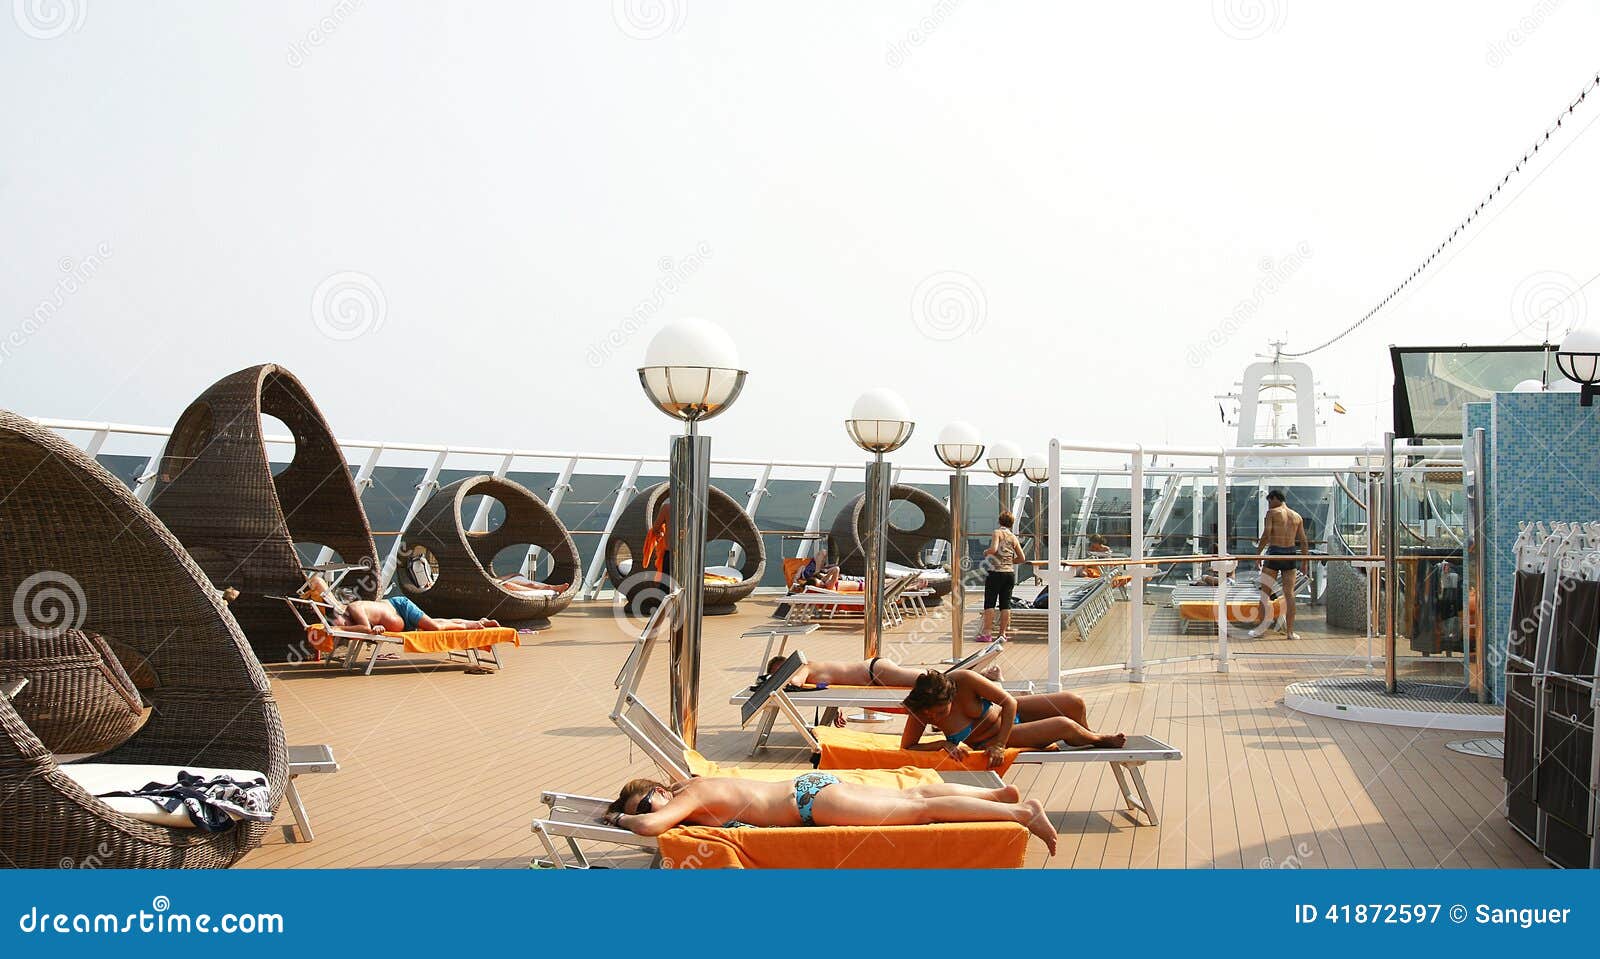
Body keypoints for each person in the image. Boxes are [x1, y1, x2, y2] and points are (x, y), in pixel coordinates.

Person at [604, 774, 1057, 854]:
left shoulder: (688, 796)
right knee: (914, 795)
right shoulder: (694, 790)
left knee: (919, 811)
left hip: (811, 805)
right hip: (811, 793)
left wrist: (622, 819)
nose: (646, 811)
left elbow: (650, 825)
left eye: (644, 801)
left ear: (660, 791)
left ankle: (1020, 812)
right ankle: (994, 797)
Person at [900, 670, 1126, 769]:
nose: (934, 717)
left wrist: (1001, 745)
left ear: (951, 695)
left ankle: (1083, 735)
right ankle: (1097, 740)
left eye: (941, 712)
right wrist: (942, 743)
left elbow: (1009, 702)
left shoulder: (964, 680)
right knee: (1063, 725)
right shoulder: (921, 709)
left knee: (1073, 702)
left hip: (1008, 720)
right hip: (989, 739)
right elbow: (908, 746)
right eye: (931, 715)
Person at [306, 576, 500, 634]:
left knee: (435, 627)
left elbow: (364, 628)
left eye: (342, 624)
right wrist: (377, 629)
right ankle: (478, 621)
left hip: (400, 606)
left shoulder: (354, 608)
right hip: (400, 619)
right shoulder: (352, 620)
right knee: (437, 622)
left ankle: (473, 625)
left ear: (341, 616)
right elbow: (369, 628)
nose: (344, 627)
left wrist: (338, 628)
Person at [1251, 489, 1309, 640]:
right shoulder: (1297, 516)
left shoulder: (1272, 513)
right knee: (1289, 594)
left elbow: (1266, 534)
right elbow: (1303, 541)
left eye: (1269, 501)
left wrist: (1258, 554)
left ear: (1275, 498)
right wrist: (1305, 562)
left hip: (1275, 552)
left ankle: (1260, 630)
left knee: (1265, 593)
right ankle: (1290, 632)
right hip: (1290, 553)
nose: (1269, 505)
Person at [766, 654, 1002, 688]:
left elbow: (795, 683)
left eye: (780, 671)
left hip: (874, 672)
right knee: (929, 679)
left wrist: (771, 682)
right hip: (873, 671)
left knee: (932, 681)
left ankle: (983, 676)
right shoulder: (811, 668)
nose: (783, 675)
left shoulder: (804, 666)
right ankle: (978, 675)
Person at [978, 511, 1025, 642]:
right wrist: (1010, 561)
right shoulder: (1013, 537)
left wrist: (986, 552)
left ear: (999, 521)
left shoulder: (997, 533)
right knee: (1005, 604)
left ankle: (987, 633)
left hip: (996, 573)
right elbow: (1022, 558)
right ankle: (1002, 634)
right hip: (1009, 573)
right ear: (1012, 523)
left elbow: (993, 549)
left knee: (990, 603)